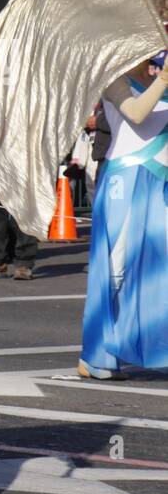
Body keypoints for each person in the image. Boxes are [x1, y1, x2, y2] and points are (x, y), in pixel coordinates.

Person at [78, 52, 168, 380]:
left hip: (159, 182)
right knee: (116, 270)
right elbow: (137, 113)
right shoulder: (114, 80)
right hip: (126, 181)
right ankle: (96, 354)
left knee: (159, 268)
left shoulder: (156, 77)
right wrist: (164, 79)